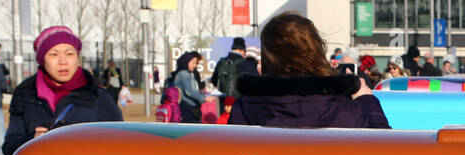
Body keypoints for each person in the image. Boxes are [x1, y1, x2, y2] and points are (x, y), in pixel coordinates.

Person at [229, 12, 390, 129]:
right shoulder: (345, 110)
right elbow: (386, 153)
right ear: (317, 53)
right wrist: (366, 99)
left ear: (268, 59)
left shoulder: (244, 108)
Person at [3, 26, 122, 155]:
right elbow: (9, 148)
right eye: (54, 54)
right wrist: (31, 141)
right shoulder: (25, 94)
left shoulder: (98, 96)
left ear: (77, 57)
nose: (63, 61)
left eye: (69, 54)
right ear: (42, 59)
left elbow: (120, 145)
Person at [164, 51, 206, 122]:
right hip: (187, 107)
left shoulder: (186, 73)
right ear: (186, 62)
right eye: (193, 63)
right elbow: (189, 92)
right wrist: (205, 98)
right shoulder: (184, 74)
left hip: (186, 107)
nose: (195, 65)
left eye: (196, 63)